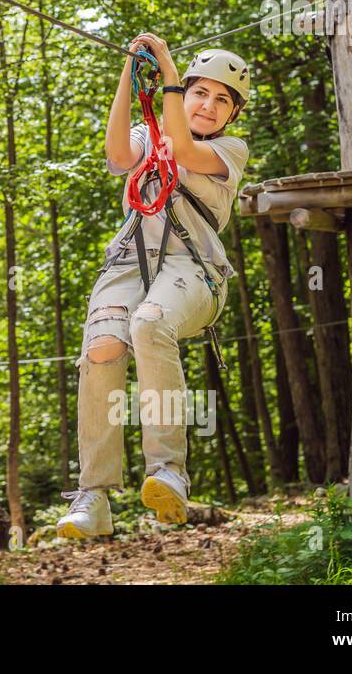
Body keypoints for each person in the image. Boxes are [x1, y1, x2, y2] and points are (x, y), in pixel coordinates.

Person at [56, 35, 250, 539]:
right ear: (182, 95)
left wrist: (166, 64)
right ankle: (93, 496)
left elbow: (182, 146)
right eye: (199, 93)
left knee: (150, 323)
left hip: (194, 269)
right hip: (128, 262)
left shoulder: (229, 150)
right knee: (101, 348)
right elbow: (119, 155)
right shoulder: (148, 135)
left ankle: (168, 471)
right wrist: (129, 70)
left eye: (221, 99)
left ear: (231, 115)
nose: (208, 104)